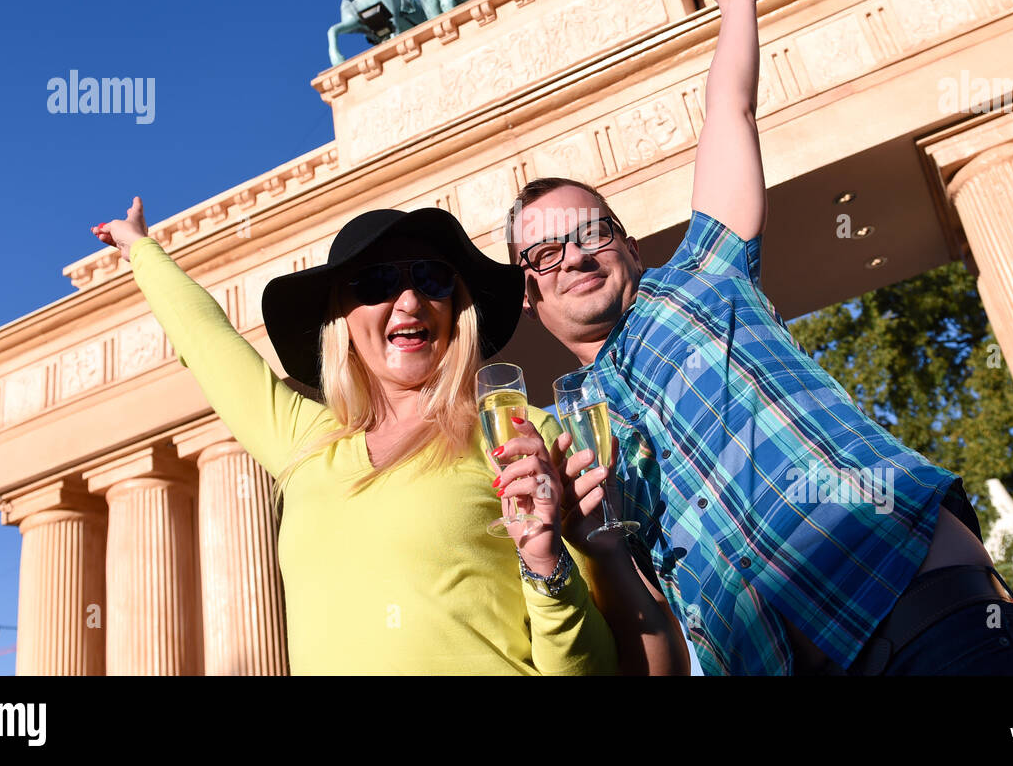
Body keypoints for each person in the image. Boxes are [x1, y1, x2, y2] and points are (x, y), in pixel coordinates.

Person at [502, 0, 1013, 676]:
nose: (575, 254)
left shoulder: (706, 273)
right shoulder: (571, 437)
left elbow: (729, 114)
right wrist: (597, 545)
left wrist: (738, 4)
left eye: (593, 233)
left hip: (923, 613)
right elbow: (645, 613)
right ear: (528, 292)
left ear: (632, 246)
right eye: (547, 251)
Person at [92, 198, 619, 674]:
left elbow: (595, 669)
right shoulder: (304, 440)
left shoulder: (519, 434)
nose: (410, 301)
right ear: (340, 318)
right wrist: (141, 248)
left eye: (433, 280)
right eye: (376, 284)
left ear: (457, 307)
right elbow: (206, 340)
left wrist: (546, 565)